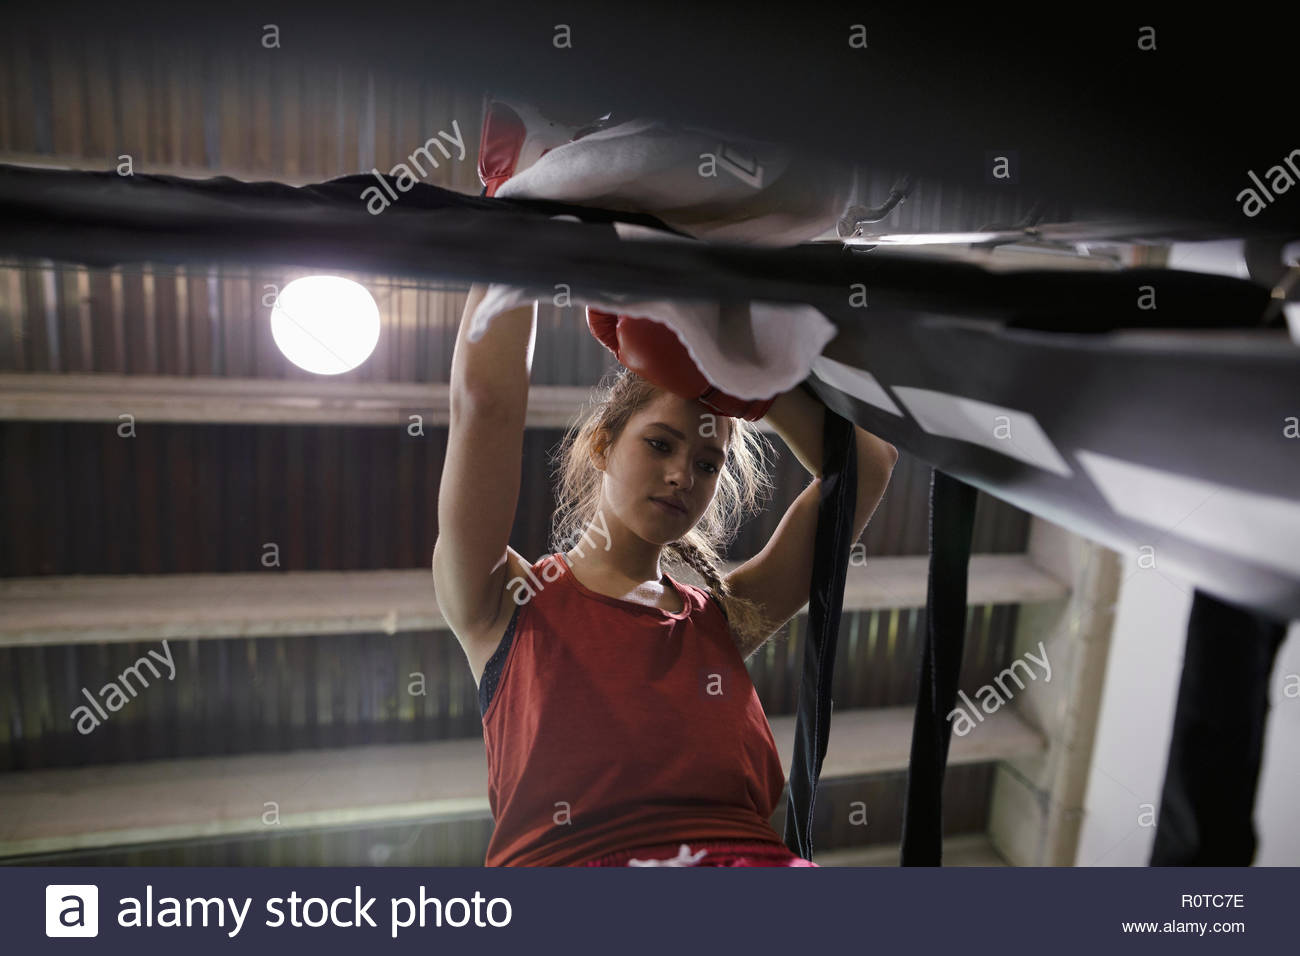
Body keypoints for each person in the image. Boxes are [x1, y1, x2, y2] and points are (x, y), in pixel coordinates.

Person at [432, 283, 899, 866]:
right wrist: (521, 237)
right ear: (602, 446)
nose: (683, 474)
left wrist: (729, 364)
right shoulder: (506, 603)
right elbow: (484, 404)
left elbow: (867, 465)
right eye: (659, 444)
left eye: (707, 464)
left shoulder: (722, 623)